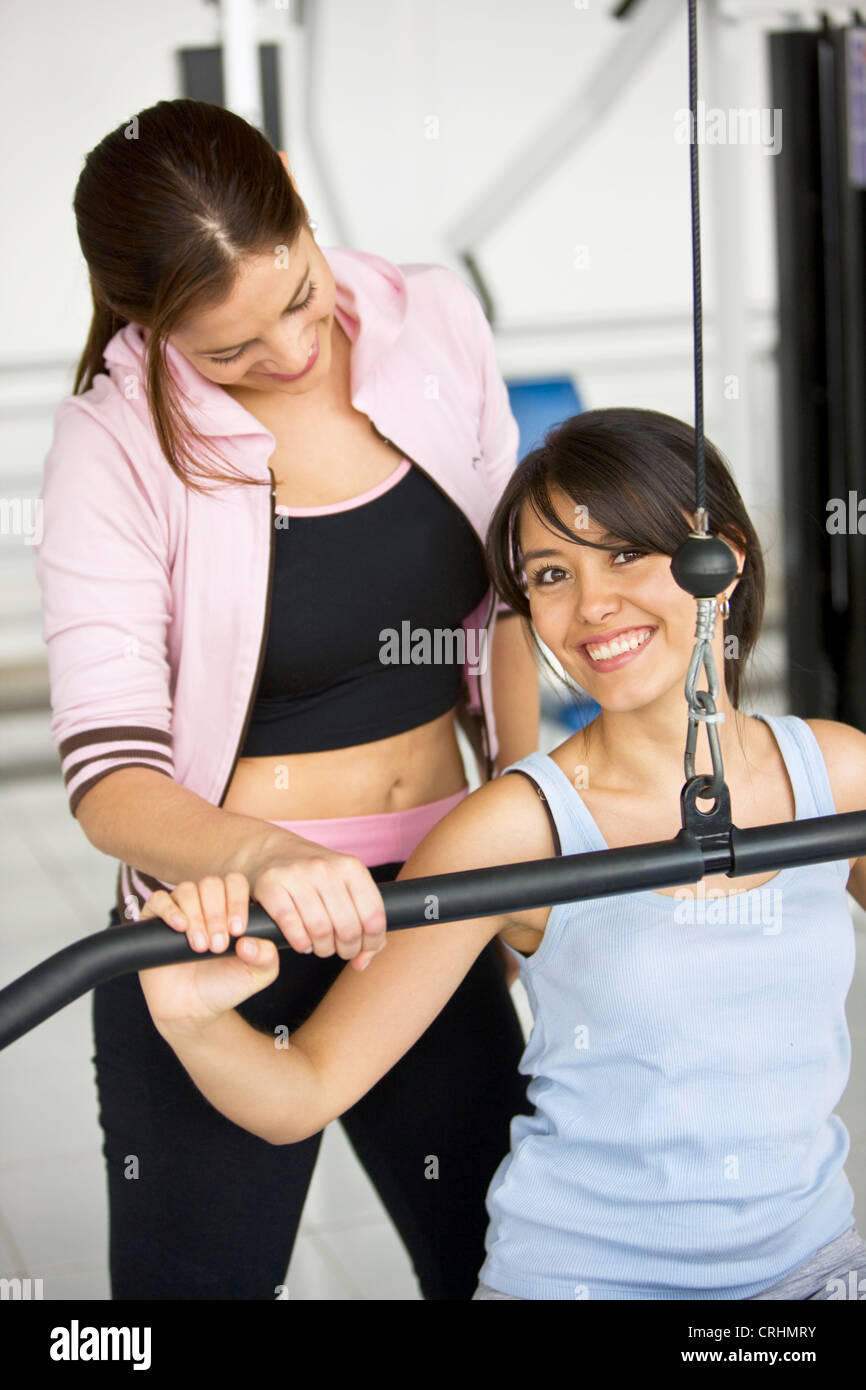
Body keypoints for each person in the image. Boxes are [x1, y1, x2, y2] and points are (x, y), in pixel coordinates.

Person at [137, 406, 866, 1300]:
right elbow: (305, 1091)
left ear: (726, 557)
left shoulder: (840, 775)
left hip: (812, 1273)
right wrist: (191, 1019)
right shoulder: (513, 833)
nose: (591, 606)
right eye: (552, 574)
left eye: (626, 554)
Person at [34, 97, 540, 1300]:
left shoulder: (434, 320)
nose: (291, 353)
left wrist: (527, 826)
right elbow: (109, 780)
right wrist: (266, 858)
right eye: (229, 350)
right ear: (148, 322)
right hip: (224, 932)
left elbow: (515, 604)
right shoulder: (113, 443)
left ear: (298, 203)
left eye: (299, 298)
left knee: (500, 1271)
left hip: (438, 899)